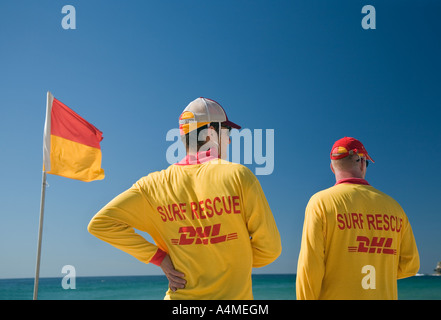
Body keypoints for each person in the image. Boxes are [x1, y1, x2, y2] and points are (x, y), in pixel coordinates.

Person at [88, 97, 281, 299]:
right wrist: (233, 259)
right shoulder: (238, 176)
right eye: (227, 132)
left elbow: (101, 224)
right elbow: (271, 249)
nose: (229, 140)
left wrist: (159, 258)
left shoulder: (152, 185)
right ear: (209, 135)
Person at [296, 137, 419, 300]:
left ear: (332, 167)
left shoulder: (321, 203)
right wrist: (379, 269)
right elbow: (410, 265)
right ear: (362, 163)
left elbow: (309, 268)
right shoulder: (395, 208)